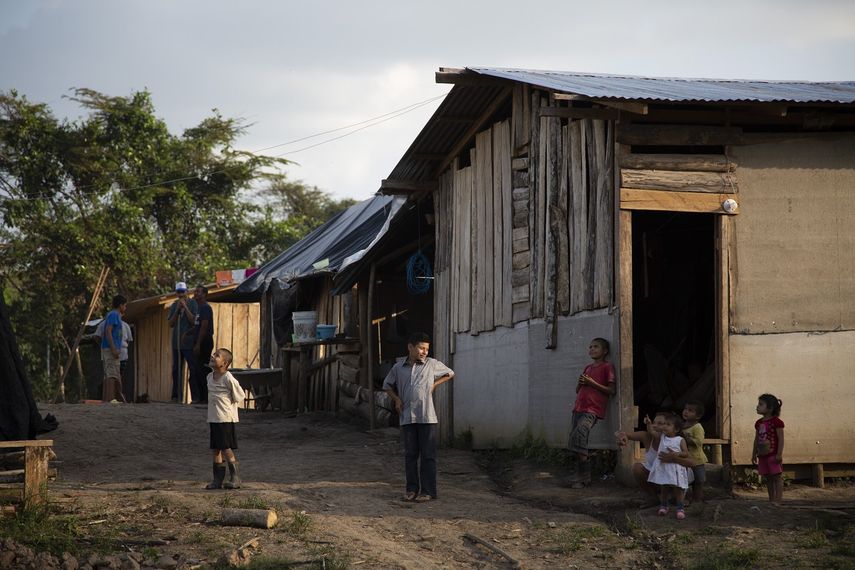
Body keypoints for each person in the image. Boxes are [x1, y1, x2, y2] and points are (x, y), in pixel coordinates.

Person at [383, 332, 454, 502]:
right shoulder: (398, 368)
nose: (424, 352)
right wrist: (397, 399)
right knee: (410, 455)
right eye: (421, 348)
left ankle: (428, 491)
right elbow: (387, 385)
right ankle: (411, 490)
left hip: (427, 417)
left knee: (428, 455)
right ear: (410, 347)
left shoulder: (432, 364)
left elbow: (450, 373)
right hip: (408, 417)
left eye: (426, 349)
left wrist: (434, 385)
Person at [567, 337, 615, 488]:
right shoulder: (588, 368)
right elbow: (577, 390)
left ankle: (582, 475)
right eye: (590, 347)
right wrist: (580, 382)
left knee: (579, 434)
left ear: (605, 351)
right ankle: (582, 477)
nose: (592, 349)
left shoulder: (607, 367)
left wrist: (591, 383)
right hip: (579, 407)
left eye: (596, 347)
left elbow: (611, 390)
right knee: (578, 439)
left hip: (592, 409)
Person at [205, 348, 246, 490]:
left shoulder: (228, 378)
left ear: (224, 363)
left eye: (217, 356)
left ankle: (235, 477)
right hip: (213, 418)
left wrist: (228, 406)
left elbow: (240, 396)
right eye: (214, 354)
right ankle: (217, 480)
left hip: (225, 418)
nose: (213, 356)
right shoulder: (209, 377)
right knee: (215, 449)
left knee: (226, 447)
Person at [647, 412, 691, 519]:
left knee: (678, 488)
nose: (664, 426)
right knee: (664, 486)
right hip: (664, 467)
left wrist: (677, 454)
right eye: (664, 424)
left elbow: (686, 453)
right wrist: (648, 424)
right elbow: (652, 432)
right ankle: (664, 505)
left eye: (668, 425)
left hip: (675, 467)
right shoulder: (662, 437)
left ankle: (680, 507)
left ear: (676, 429)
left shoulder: (680, 440)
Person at [167, 281, 199, 402]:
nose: (181, 294)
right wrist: (177, 310)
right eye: (179, 292)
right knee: (176, 370)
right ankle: (176, 396)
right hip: (176, 343)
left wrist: (185, 307)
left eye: (183, 292)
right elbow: (171, 323)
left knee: (193, 369)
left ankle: (195, 397)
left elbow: (193, 321)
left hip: (188, 343)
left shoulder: (193, 304)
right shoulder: (174, 305)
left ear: (187, 291)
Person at [752, 393, 784, 503]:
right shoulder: (758, 423)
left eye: (761, 404)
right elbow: (756, 440)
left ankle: (778, 501)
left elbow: (781, 439)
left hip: (773, 455)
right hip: (762, 455)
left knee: (776, 477)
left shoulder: (777, 422)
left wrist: (779, 454)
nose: (757, 406)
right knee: (768, 478)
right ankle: (771, 500)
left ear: (770, 408)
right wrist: (753, 454)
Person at [101, 295, 128, 403]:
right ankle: (109, 399)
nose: (125, 308)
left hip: (114, 349)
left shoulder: (116, 316)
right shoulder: (113, 315)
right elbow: (108, 331)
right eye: (125, 305)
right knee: (111, 375)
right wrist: (113, 349)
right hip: (110, 349)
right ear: (121, 305)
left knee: (116, 375)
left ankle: (117, 398)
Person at [682, 401, 708, 504]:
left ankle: (697, 499)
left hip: (697, 460)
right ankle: (686, 499)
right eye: (685, 409)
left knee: (699, 481)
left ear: (698, 416)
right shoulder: (681, 425)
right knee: (685, 480)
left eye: (690, 410)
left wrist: (686, 439)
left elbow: (699, 441)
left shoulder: (697, 427)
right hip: (684, 460)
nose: (686, 412)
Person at [192, 285, 214, 404]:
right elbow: (197, 326)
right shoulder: (199, 308)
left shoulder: (205, 308)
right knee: (197, 370)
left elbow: (204, 327)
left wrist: (198, 344)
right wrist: (188, 333)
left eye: (198, 292)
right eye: (195, 291)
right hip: (199, 341)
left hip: (204, 342)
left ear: (204, 294)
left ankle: (206, 398)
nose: (195, 293)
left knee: (202, 370)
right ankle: (201, 397)